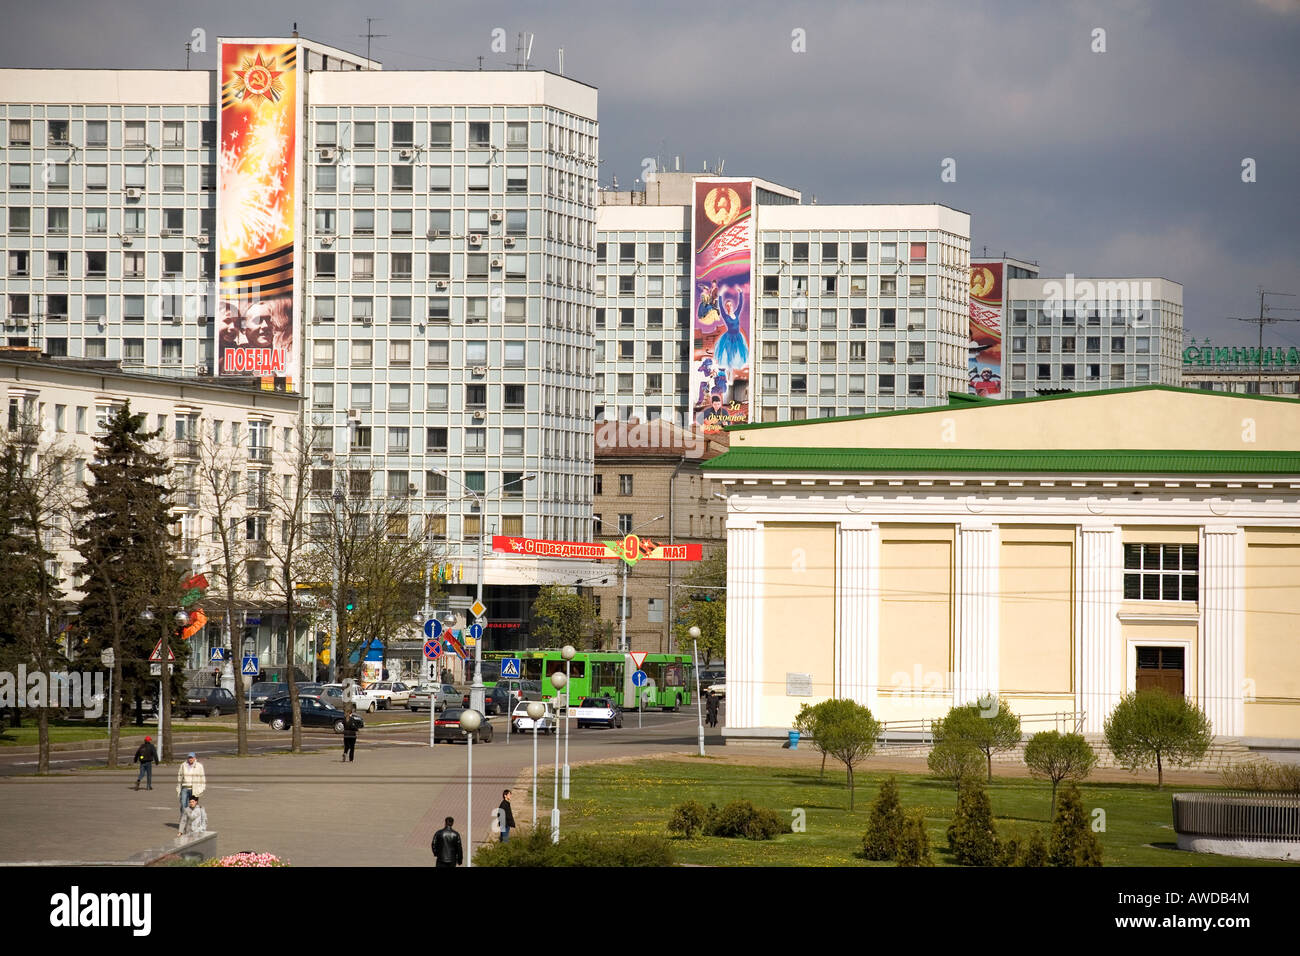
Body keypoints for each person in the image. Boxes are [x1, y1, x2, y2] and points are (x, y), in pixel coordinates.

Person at [176, 752, 206, 821]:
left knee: (193, 807)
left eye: (192, 758)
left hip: (194, 789)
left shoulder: (199, 766)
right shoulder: (183, 765)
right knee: (183, 805)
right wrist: (178, 787)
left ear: (195, 758)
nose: (190, 759)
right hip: (184, 787)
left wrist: (201, 788)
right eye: (189, 757)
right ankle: (183, 821)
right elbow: (180, 776)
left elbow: (202, 778)